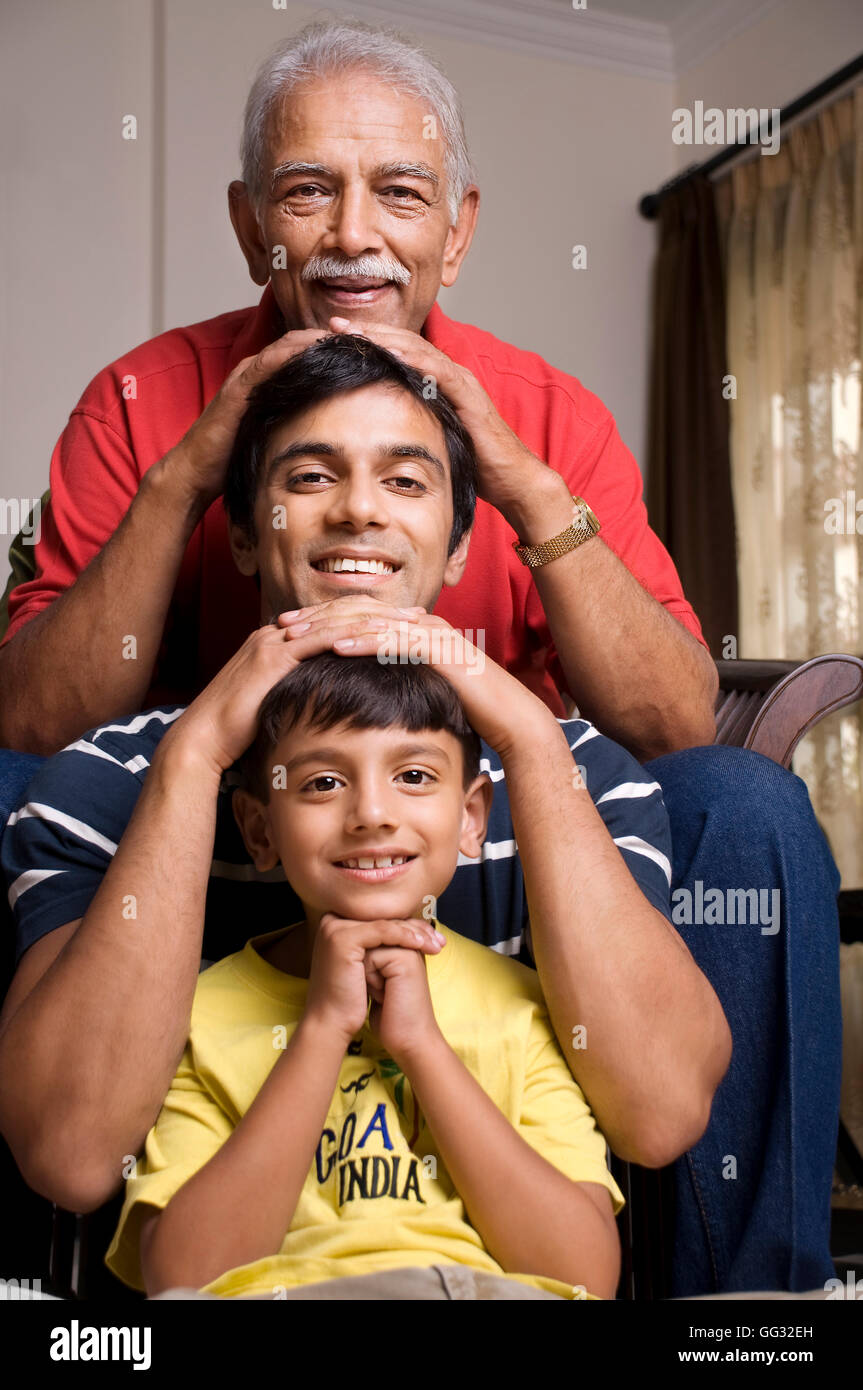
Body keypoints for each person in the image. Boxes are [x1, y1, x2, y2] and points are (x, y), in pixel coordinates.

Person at [0, 338, 736, 1296]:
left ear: (461, 544)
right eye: (311, 476)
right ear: (238, 535)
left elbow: (660, 1111)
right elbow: (70, 1152)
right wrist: (194, 758)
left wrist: (526, 736)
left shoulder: (575, 773)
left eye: (405, 480)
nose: (357, 509)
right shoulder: (108, 780)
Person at [0, 19, 717, 760]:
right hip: (189, 814)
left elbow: (674, 729)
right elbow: (31, 732)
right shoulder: (133, 402)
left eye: (400, 193)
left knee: (740, 796)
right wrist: (180, 481)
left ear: (455, 234)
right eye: (308, 191)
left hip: (484, 817)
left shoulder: (553, 417)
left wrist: (533, 495)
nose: (352, 235)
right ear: (252, 230)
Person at [106, 653, 625, 1302]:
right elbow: (180, 1278)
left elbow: (584, 1275)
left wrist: (423, 1049)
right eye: (322, 783)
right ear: (259, 829)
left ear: (470, 817)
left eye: (412, 775)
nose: (371, 814)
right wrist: (322, 1029)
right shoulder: (198, 1013)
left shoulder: (523, 1004)